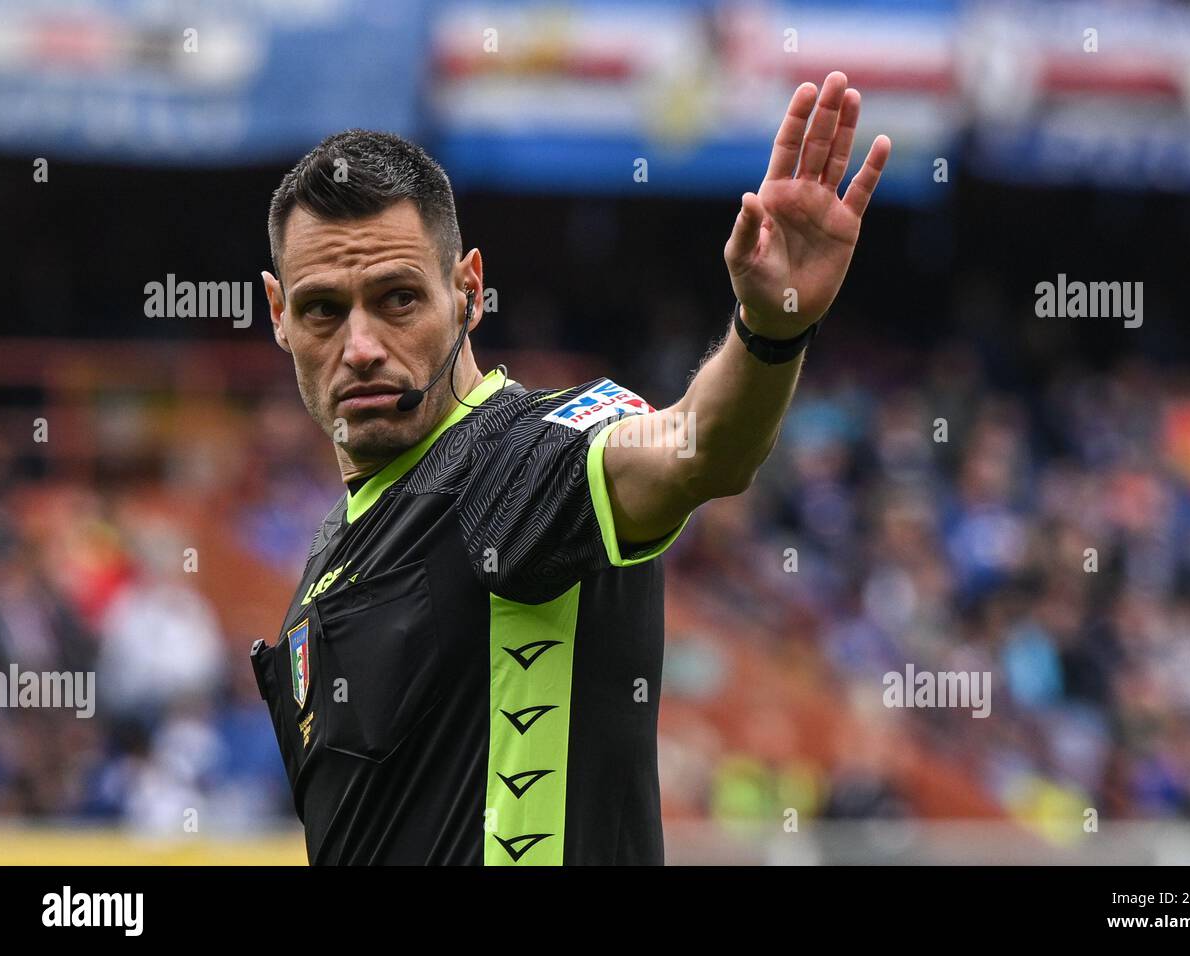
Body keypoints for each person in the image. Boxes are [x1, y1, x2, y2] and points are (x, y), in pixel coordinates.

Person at [251, 71, 889, 864]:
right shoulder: (330, 554)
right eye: (323, 310)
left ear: (468, 291)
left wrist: (769, 329)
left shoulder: (523, 457)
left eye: (398, 299)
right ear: (279, 315)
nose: (361, 347)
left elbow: (700, 451)